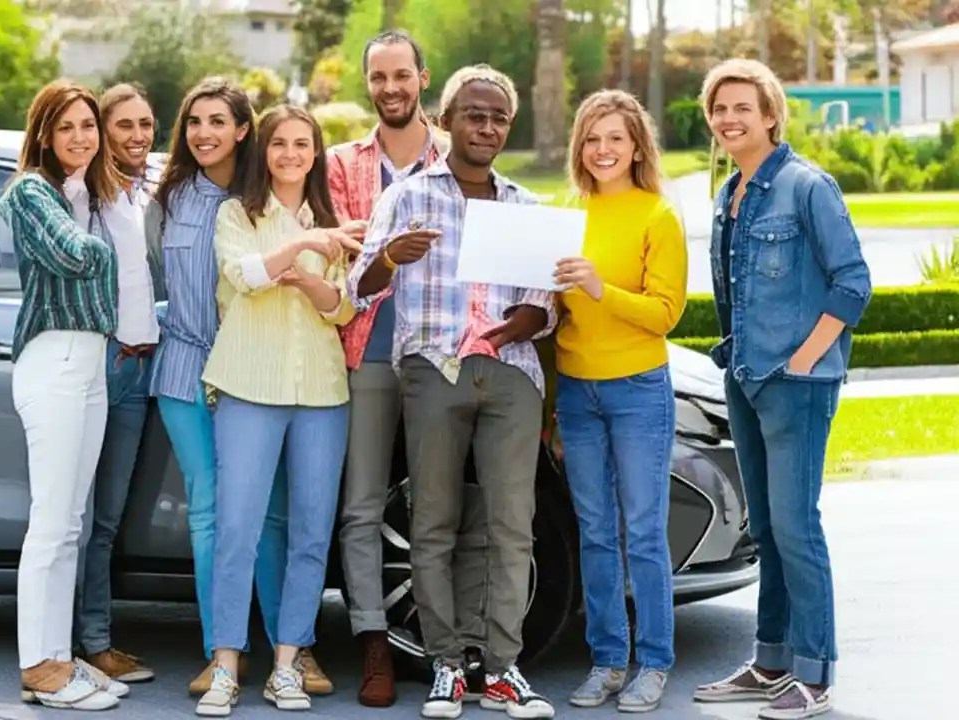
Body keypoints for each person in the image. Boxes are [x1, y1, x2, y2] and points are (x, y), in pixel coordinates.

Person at [348, 64, 557, 720]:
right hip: (434, 370)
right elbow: (361, 286)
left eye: (497, 116)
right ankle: (445, 664)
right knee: (433, 520)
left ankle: (500, 668)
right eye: (474, 113)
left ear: (508, 127)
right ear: (447, 119)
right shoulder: (409, 197)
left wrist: (524, 322)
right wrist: (390, 258)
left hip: (511, 373)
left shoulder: (526, 206)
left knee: (511, 527)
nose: (486, 125)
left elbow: (543, 306)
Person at [691, 59, 871, 720]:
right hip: (744, 378)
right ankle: (770, 661)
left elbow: (853, 284)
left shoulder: (805, 187)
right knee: (766, 529)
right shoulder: (728, 196)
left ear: (771, 114)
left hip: (795, 385)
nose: (730, 119)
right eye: (720, 109)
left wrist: (801, 361)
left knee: (797, 527)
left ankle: (814, 676)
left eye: (743, 107)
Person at [326, 29, 486, 709]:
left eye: (401, 75)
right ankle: (372, 641)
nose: (390, 88)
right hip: (365, 351)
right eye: (378, 78)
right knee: (361, 504)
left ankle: (459, 643)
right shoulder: (340, 164)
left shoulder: (460, 161)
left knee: (441, 500)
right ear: (369, 85)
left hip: (441, 354)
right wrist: (386, 243)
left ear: (423, 78)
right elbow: (348, 250)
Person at [146, 78, 318, 697]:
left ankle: (289, 652)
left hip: (257, 372)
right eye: (194, 122)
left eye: (217, 121)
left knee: (270, 514)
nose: (203, 134)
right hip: (187, 370)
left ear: (244, 130)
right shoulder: (167, 198)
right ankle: (222, 654)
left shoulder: (262, 198)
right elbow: (154, 280)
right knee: (213, 513)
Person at [194, 104, 358, 717]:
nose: (291, 153)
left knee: (312, 533)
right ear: (263, 150)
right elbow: (247, 275)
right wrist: (303, 247)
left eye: (303, 144)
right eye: (279, 143)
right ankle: (227, 665)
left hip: (320, 392)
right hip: (247, 387)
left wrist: (320, 286)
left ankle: (288, 663)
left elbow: (342, 309)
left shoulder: (333, 223)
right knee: (237, 528)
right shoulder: (236, 214)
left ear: (316, 154)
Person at [550, 89, 688, 714]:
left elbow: (665, 314)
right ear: (580, 147)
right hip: (577, 392)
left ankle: (654, 663)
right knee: (596, 533)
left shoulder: (657, 215)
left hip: (638, 390)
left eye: (615, 138)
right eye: (592, 138)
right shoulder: (564, 214)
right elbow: (550, 315)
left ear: (637, 146)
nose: (603, 149)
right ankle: (608, 660)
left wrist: (601, 288)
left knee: (642, 532)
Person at [0, 78, 125, 711]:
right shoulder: (30, 193)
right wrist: (102, 245)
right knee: (49, 525)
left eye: (89, 126)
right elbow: (76, 258)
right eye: (68, 126)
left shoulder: (80, 193)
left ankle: (57, 656)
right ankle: (37, 667)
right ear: (44, 134)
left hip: (91, 360)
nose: (82, 137)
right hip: (54, 359)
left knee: (72, 524)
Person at [73, 82, 163, 686]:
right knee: (78, 516)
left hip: (140, 368)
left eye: (146, 124)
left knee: (107, 518)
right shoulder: (83, 195)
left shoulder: (149, 187)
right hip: (100, 362)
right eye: (124, 125)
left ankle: (93, 640)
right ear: (102, 130)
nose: (137, 136)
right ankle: (77, 643)